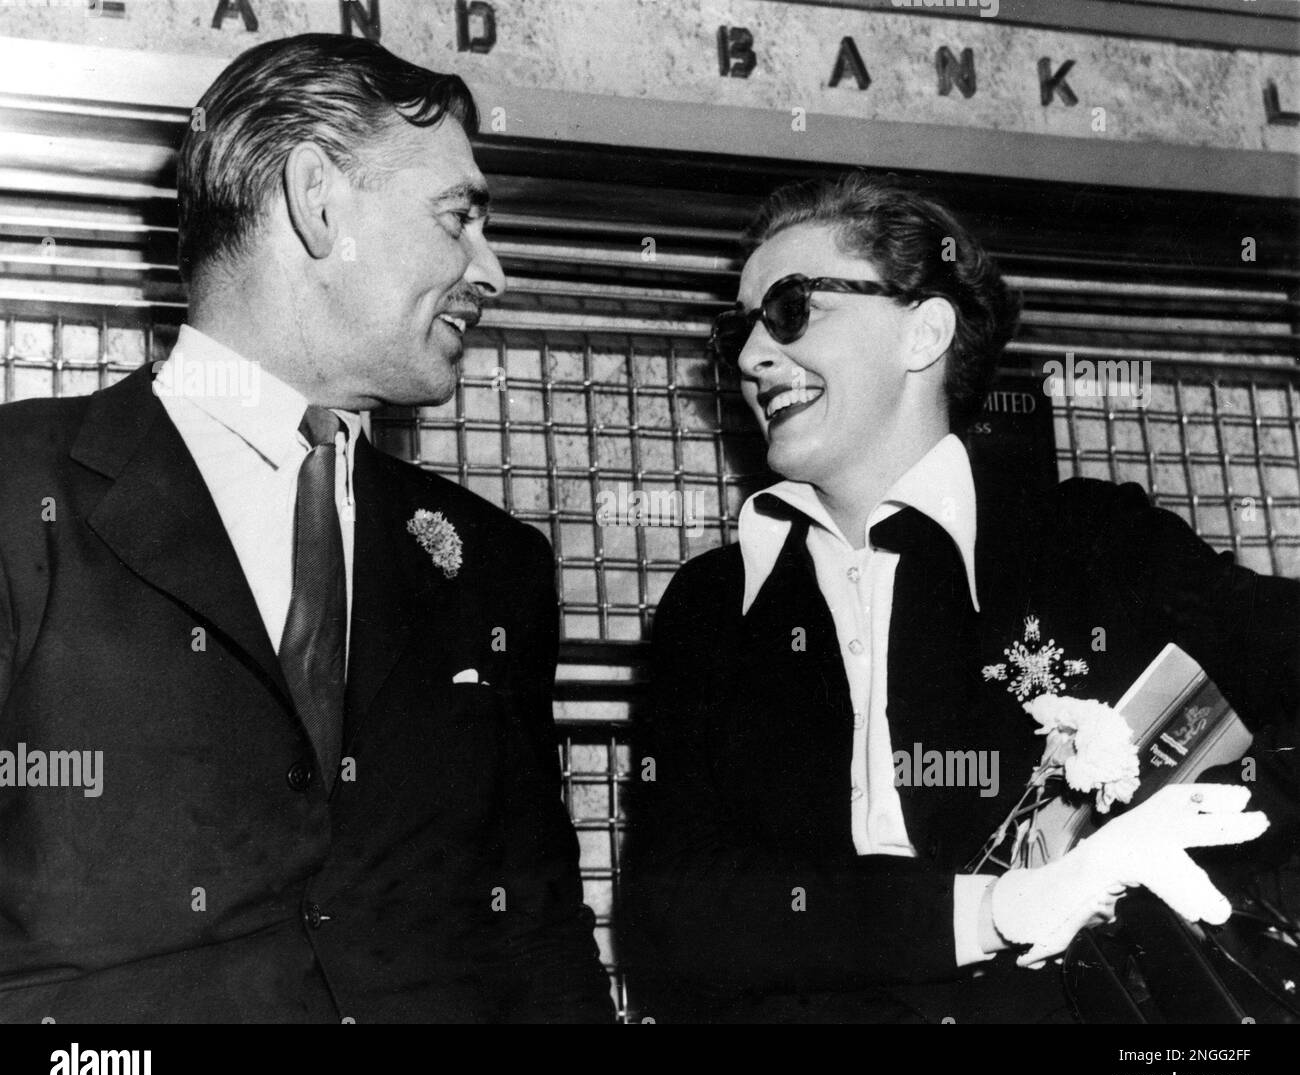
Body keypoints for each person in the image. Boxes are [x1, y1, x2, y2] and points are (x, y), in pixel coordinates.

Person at [0, 33, 612, 1023]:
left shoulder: (492, 565)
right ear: (318, 200)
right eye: (459, 218)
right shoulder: (16, 491)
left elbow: (537, 934)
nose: (489, 270)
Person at [622, 172, 1299, 1023]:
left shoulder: (1093, 539)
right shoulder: (715, 607)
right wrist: (996, 910)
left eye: (790, 309)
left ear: (924, 330)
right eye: (742, 329)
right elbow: (676, 916)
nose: (753, 357)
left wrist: (1207, 849)